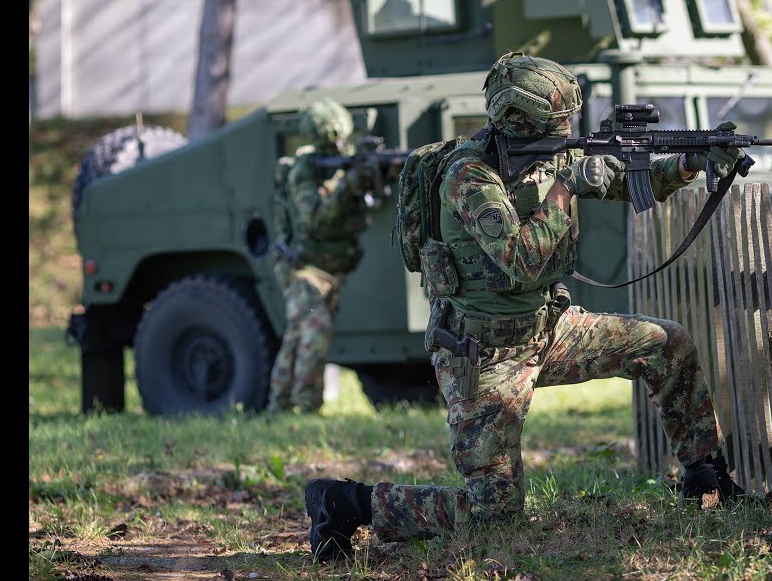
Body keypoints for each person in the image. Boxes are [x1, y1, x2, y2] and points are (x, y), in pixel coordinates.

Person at [303, 52, 747, 559]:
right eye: (554, 123)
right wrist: (567, 188)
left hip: (549, 331)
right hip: (482, 355)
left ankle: (706, 478)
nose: (565, 131)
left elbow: (628, 180)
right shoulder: (466, 178)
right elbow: (521, 260)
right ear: (517, 120)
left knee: (667, 343)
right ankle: (347, 503)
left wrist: (693, 160)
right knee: (493, 518)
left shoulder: (548, 154)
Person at [268, 98, 373, 414]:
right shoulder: (305, 170)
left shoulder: (341, 164)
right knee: (316, 331)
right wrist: (348, 186)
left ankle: (279, 405)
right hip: (304, 269)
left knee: (297, 336)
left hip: (331, 269)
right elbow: (314, 217)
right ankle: (307, 405)